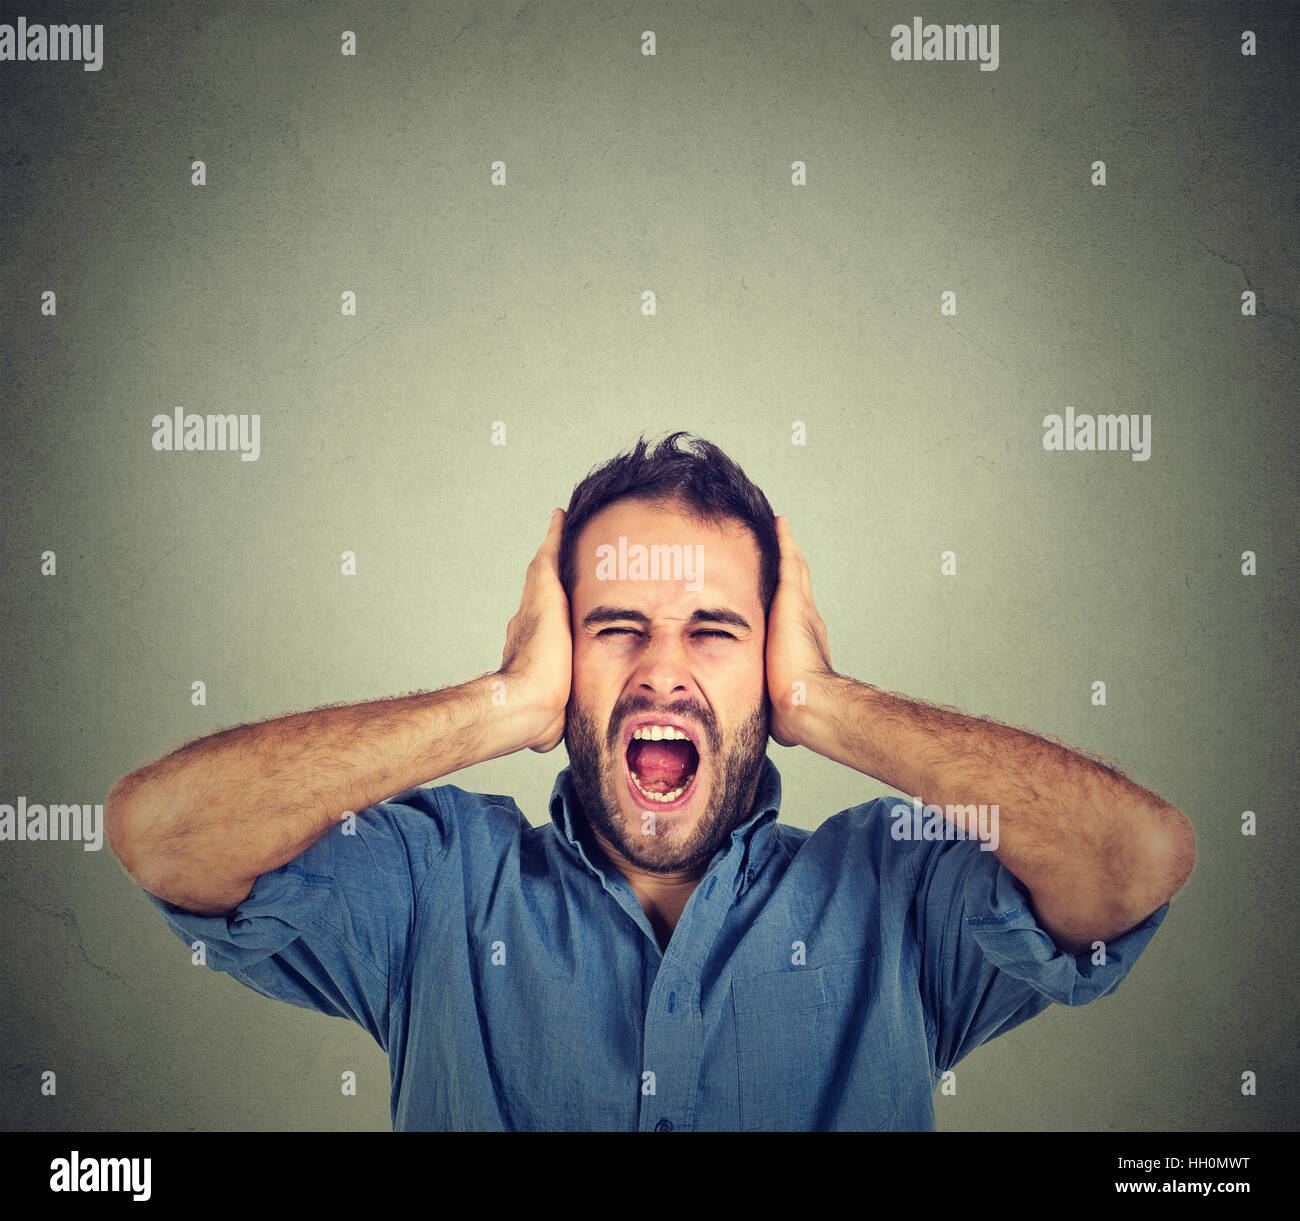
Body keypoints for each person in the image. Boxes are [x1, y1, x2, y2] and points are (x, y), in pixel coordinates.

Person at [106, 431, 1195, 1131]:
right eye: (615, 627)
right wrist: (503, 703)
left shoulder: (897, 891)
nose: (662, 669)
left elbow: (1128, 859)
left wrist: (822, 702)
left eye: (715, 632)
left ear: (772, 662)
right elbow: (166, 834)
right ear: (558, 654)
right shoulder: (439, 884)